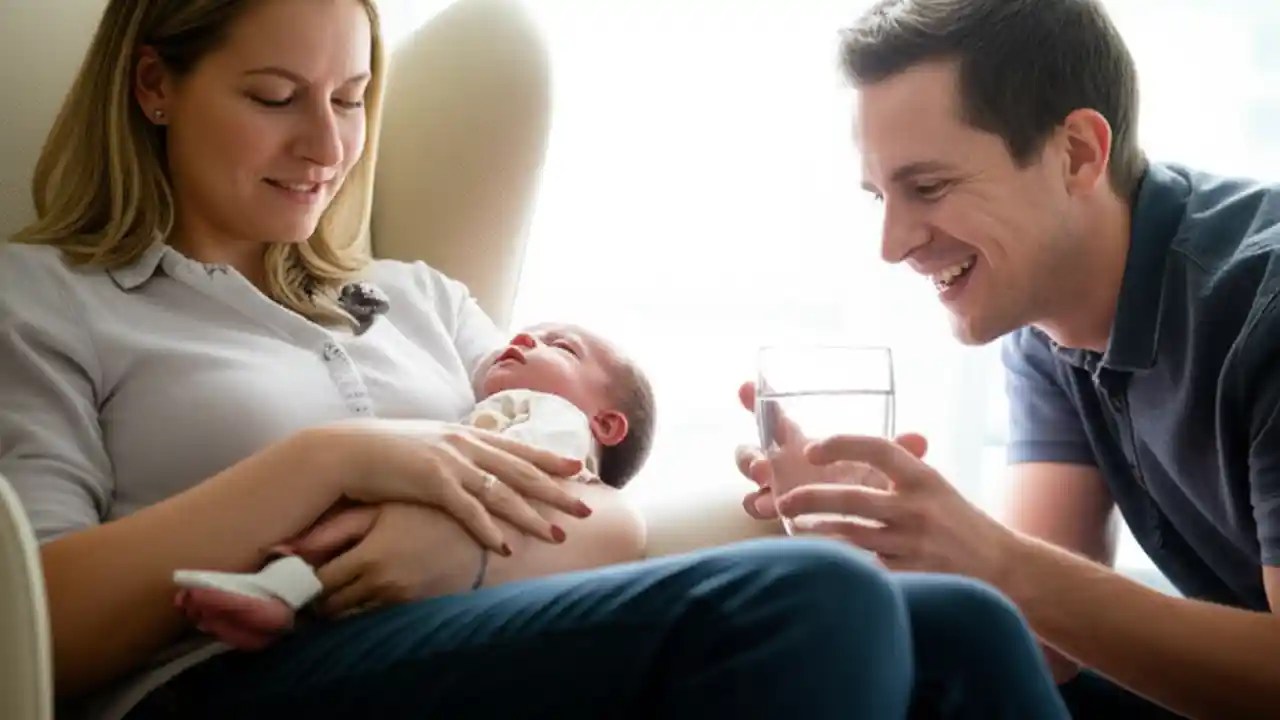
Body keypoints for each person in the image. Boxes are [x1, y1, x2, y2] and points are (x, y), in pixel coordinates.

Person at [0, 0, 1070, 718]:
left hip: (468, 623)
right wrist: (324, 461)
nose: (325, 147)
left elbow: (605, 516)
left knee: (961, 622)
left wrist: (457, 554)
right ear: (153, 86)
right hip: (220, 680)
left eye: (349, 99)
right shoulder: (46, 300)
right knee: (814, 597)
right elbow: (36, 628)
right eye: (274, 98)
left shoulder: (418, 299)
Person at [736, 1, 1280, 718]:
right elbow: (1043, 647)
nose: (892, 245)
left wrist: (988, 554)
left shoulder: (1261, 307)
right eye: (880, 196)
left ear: (1078, 153)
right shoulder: (1046, 320)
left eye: (928, 188)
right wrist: (886, 534)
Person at [170, 322, 659, 650]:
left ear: (608, 425)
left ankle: (277, 596)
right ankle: (277, 596)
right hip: (434, 549)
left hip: (464, 501)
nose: (525, 341)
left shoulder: (556, 418)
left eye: (561, 347)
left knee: (339, 537)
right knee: (337, 543)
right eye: (525, 333)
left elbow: (523, 457)